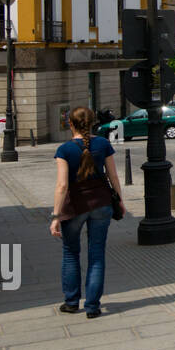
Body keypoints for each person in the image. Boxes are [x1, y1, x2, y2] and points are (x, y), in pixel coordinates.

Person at [51, 106, 123, 319]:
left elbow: (62, 186)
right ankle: (92, 306)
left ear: (70, 124)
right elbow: (113, 177)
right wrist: (120, 201)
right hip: (101, 204)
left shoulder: (64, 150)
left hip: (74, 207)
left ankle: (72, 302)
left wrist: (55, 216)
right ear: (92, 123)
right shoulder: (103, 144)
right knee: (97, 254)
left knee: (71, 253)